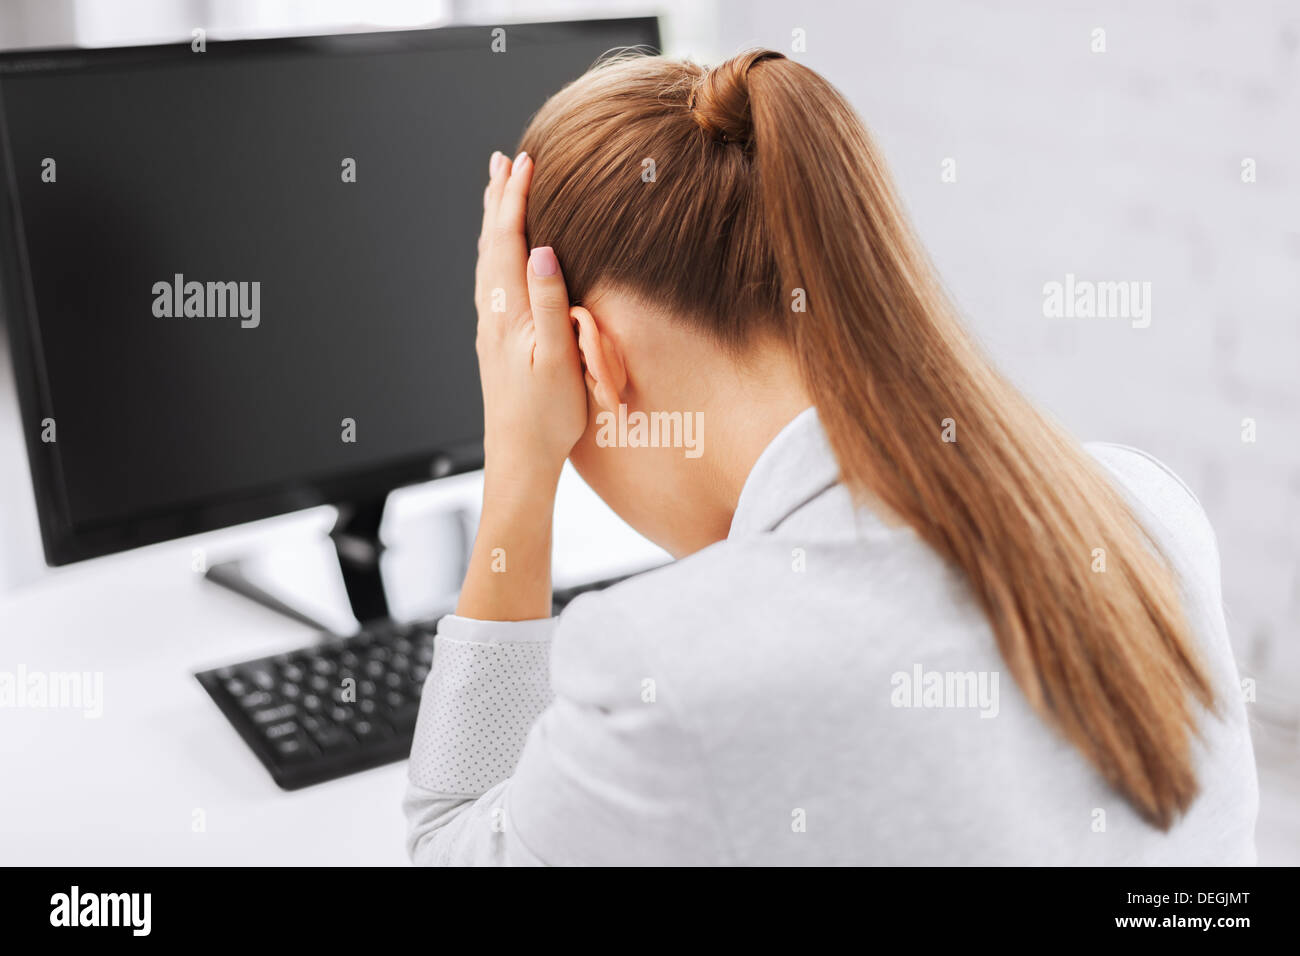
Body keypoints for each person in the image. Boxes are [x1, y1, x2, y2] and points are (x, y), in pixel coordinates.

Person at [402, 49, 1257, 865]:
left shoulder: (664, 673)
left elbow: (450, 843)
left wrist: (518, 456)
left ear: (584, 355)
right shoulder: (1148, 512)